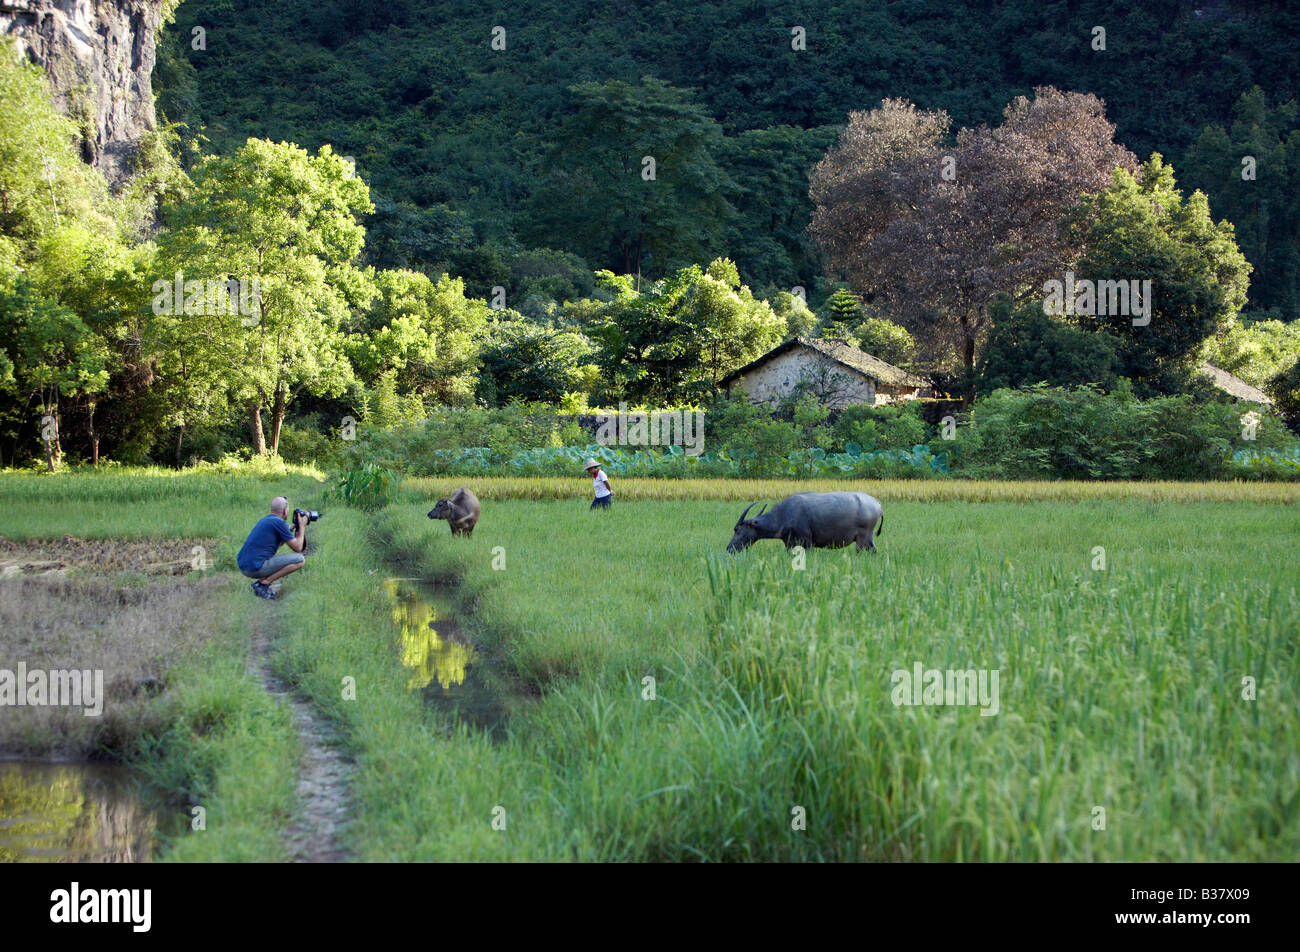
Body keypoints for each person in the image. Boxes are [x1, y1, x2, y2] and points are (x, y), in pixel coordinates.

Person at [237, 496, 307, 600]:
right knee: (300, 560)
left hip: (244, 566)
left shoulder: (266, 520)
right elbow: (298, 547)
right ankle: (263, 584)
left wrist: (293, 526)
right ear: (285, 511)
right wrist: (302, 526)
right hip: (255, 568)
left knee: (270, 557)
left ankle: (264, 583)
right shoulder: (279, 523)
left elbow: (279, 542)